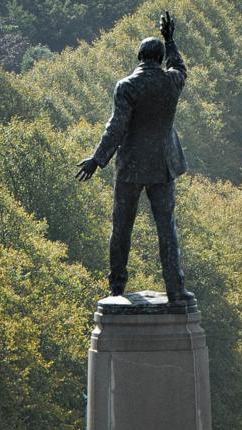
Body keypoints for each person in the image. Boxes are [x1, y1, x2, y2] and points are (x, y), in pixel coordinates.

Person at [76, 10, 194, 304]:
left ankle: (117, 287)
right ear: (160, 58)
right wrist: (170, 40)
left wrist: (97, 159)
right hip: (163, 165)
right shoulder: (172, 81)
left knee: (121, 227)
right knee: (167, 228)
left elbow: (116, 127)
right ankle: (176, 288)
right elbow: (179, 66)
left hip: (131, 166)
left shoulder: (127, 86)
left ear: (139, 57)